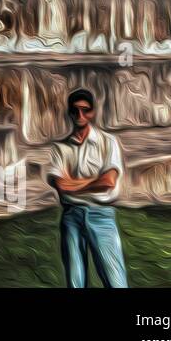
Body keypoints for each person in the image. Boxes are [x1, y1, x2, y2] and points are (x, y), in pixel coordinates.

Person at [46, 89, 129, 288]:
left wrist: (73, 184)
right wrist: (93, 182)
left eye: (85, 110)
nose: (80, 116)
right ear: (69, 112)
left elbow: (108, 182)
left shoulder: (108, 142)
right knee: (76, 281)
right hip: (71, 217)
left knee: (115, 281)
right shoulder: (60, 148)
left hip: (101, 216)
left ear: (92, 112)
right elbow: (61, 186)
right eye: (75, 111)